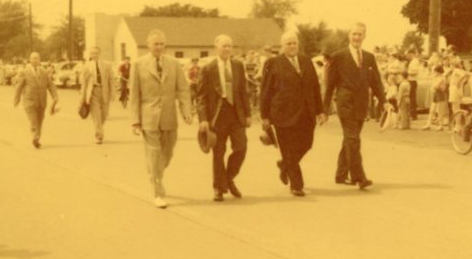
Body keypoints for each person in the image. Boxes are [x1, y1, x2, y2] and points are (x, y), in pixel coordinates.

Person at [128, 29, 192, 208]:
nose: (159, 47)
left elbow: (183, 89)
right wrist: (135, 120)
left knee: (168, 153)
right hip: (149, 117)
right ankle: (157, 191)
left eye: (162, 44)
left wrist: (186, 109)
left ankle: (155, 175)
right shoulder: (139, 64)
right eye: (155, 44)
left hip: (169, 116)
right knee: (154, 153)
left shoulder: (173, 63)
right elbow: (134, 94)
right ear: (148, 45)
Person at [260, 32, 326, 197]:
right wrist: (265, 116)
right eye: (288, 43)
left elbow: (315, 87)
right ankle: (296, 185)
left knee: (307, 144)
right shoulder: (273, 63)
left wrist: (320, 110)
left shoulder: (306, 61)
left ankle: (284, 165)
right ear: (282, 46)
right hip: (282, 114)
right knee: (288, 149)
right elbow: (265, 91)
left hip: (306, 114)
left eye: (294, 43)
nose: (292, 46)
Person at [323, 22, 385, 190]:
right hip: (346, 104)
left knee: (350, 140)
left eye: (360, 34)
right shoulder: (338, 56)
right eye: (354, 34)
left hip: (361, 105)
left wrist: (384, 102)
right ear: (349, 36)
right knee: (353, 140)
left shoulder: (369, 57)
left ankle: (341, 174)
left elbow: (376, 82)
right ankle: (359, 177)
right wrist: (324, 109)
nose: (357, 37)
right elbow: (329, 85)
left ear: (364, 36)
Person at [197, 34, 251, 202]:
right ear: (216, 47)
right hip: (217, 116)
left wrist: (248, 114)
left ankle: (228, 178)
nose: (227, 49)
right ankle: (218, 188)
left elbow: (243, 91)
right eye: (224, 46)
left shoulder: (238, 66)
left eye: (229, 46)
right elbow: (201, 96)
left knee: (241, 148)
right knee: (218, 153)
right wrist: (203, 119)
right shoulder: (207, 68)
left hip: (236, 115)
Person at [13, 52, 59, 149]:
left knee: (40, 120)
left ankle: (37, 139)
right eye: (33, 58)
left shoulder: (44, 72)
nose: (35, 60)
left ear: (39, 60)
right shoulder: (24, 72)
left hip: (42, 101)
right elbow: (19, 86)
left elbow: (50, 85)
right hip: (29, 101)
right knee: (33, 120)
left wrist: (55, 97)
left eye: (37, 58)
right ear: (30, 60)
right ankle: (35, 137)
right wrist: (16, 99)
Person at [80, 46, 114, 144]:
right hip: (93, 92)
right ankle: (99, 136)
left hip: (104, 91)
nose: (94, 55)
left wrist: (113, 93)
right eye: (92, 53)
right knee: (96, 116)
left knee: (105, 114)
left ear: (100, 54)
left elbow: (111, 79)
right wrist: (83, 97)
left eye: (96, 53)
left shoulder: (107, 65)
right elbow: (84, 83)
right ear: (90, 55)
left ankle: (99, 127)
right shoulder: (87, 66)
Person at [406, 49, 420, 120]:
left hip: (413, 80)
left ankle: (413, 115)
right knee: (411, 98)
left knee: (412, 98)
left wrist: (407, 72)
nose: (407, 56)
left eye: (408, 54)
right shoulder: (412, 61)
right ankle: (412, 114)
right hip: (410, 80)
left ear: (411, 54)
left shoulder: (415, 61)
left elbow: (415, 71)